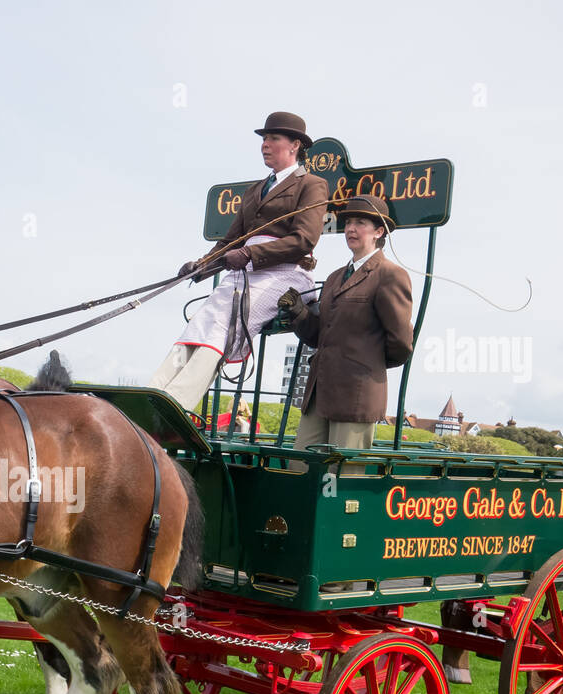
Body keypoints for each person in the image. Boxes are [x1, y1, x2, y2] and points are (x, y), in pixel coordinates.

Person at [150, 111, 330, 413]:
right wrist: (201, 266)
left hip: (287, 274)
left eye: (273, 138)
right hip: (245, 272)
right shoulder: (253, 191)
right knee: (202, 320)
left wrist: (250, 254)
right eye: (263, 139)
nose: (265, 145)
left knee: (225, 320)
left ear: (295, 145)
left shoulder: (311, 184)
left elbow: (304, 240)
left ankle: (176, 404)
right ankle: (155, 391)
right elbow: (230, 242)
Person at [280, 194, 413, 451]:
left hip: (357, 395)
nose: (351, 228)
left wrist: (364, 363)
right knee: (300, 468)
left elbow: (400, 344)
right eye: (349, 222)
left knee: (340, 478)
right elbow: (320, 335)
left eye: (361, 222)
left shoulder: (391, 275)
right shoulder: (334, 278)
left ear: (378, 231)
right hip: (319, 391)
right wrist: (298, 312)